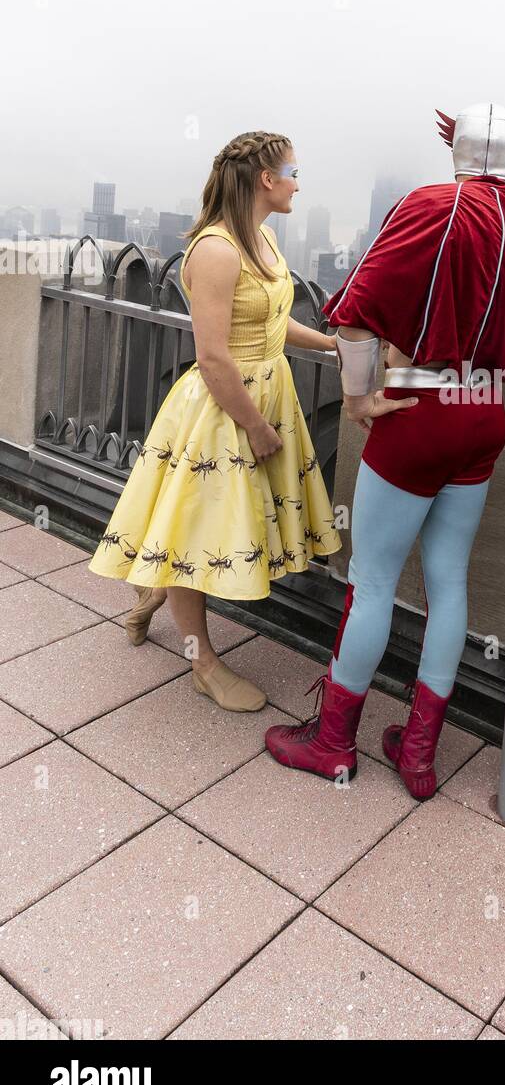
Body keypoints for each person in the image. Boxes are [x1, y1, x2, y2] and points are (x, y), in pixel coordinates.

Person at [265, 104, 505, 797]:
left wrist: (360, 396)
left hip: (421, 411)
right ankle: (419, 756)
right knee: (449, 583)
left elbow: (359, 313)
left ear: (452, 146)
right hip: (483, 415)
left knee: (371, 582)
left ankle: (333, 743)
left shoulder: (433, 205)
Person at [88, 131, 342, 710]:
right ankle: (200, 661)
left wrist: (329, 344)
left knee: (203, 528)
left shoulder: (265, 240)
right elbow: (213, 356)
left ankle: (154, 595)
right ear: (265, 179)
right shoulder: (217, 250)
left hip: (265, 394)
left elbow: (270, 327)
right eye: (294, 171)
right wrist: (255, 427)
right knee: (199, 529)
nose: (299, 182)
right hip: (225, 411)